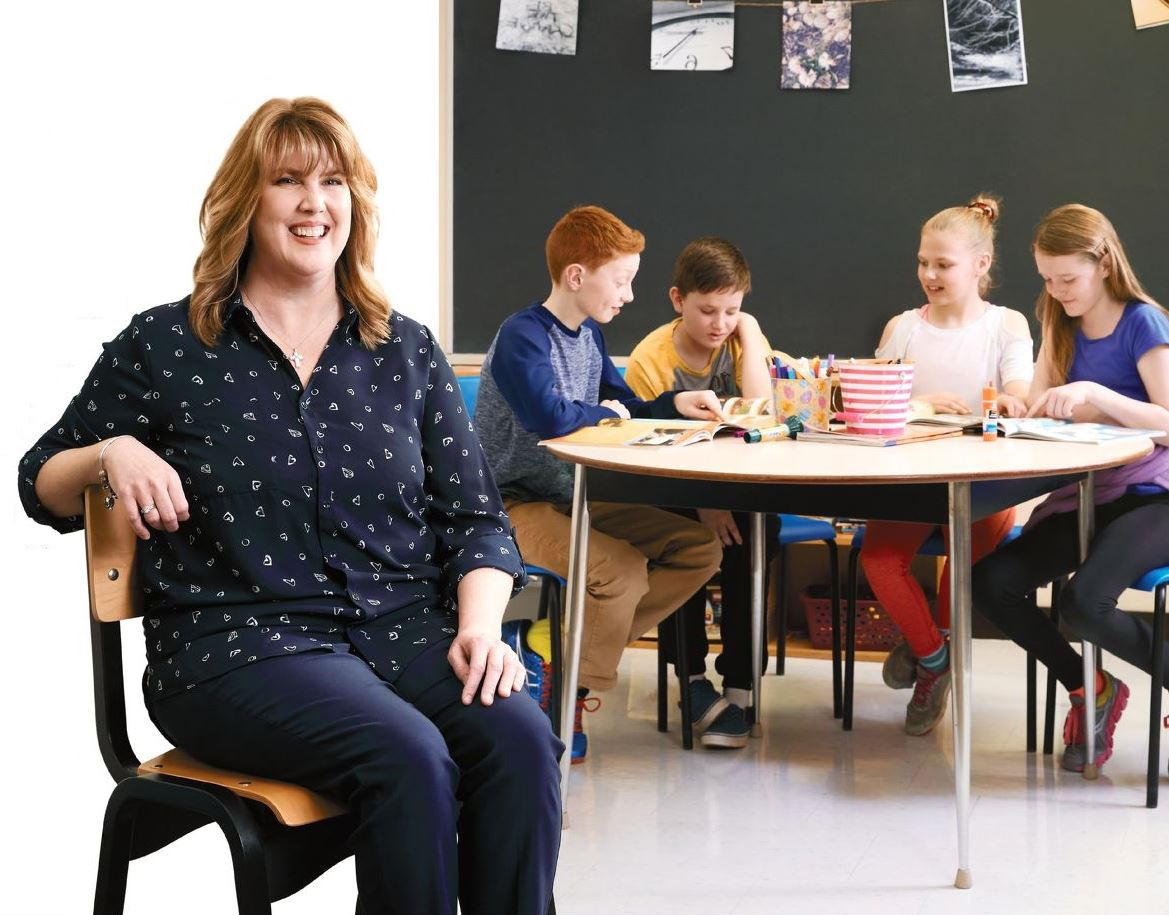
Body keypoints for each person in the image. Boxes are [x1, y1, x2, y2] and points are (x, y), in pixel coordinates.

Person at [17, 97, 561, 915]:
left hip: (402, 629)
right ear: (247, 199)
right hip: (236, 646)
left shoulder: (405, 349)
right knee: (407, 755)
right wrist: (110, 452)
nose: (315, 203)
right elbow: (39, 480)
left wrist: (480, 628)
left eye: (333, 181)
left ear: (355, 202)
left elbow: (476, 520)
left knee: (519, 740)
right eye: (288, 181)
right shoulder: (166, 345)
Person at [474, 205, 724, 762]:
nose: (629, 295)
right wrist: (609, 412)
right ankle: (566, 699)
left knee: (699, 549)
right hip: (510, 506)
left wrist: (674, 405)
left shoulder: (587, 335)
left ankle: (553, 655)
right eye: (621, 281)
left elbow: (622, 405)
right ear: (576, 276)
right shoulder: (522, 336)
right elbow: (550, 418)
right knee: (621, 572)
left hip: (572, 498)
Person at [972, 203, 1169, 773]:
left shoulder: (1143, 323)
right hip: (1086, 494)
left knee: (1085, 603)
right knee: (990, 584)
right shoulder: (1058, 321)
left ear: (1103, 263)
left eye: (1068, 279)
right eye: (1047, 280)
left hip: (1153, 497)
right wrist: (1020, 408)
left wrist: (1096, 395)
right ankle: (1090, 689)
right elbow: (1042, 404)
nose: (1057, 293)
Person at [859, 195, 1034, 736]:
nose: (928, 275)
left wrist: (1012, 401)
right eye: (922, 262)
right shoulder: (904, 327)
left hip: (984, 486)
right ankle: (934, 660)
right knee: (879, 560)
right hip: (913, 482)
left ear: (981, 265)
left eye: (942, 264)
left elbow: (1021, 392)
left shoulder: (1006, 325)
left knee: (960, 573)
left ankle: (926, 648)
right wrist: (921, 402)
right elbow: (872, 404)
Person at [625, 236, 777, 749]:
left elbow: (762, 411)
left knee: (756, 534)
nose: (720, 324)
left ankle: (741, 683)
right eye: (708, 310)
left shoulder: (742, 340)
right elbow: (647, 452)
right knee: (680, 543)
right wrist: (704, 504)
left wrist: (750, 332)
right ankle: (689, 677)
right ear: (678, 300)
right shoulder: (650, 358)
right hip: (673, 489)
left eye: (732, 311)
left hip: (740, 491)